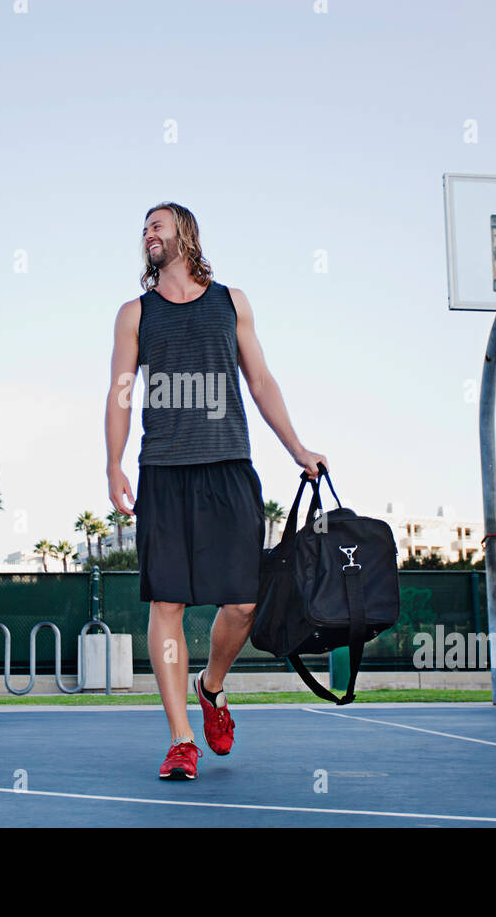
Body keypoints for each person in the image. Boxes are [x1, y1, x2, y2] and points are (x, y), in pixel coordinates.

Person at [105, 202, 326, 780]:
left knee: (244, 602)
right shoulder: (135, 313)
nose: (147, 233)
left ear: (185, 232)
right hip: (164, 471)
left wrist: (298, 449)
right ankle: (181, 738)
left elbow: (260, 380)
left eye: (157, 223)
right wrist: (113, 464)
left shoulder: (232, 302)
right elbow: (121, 391)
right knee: (167, 605)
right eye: (143, 228)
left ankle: (212, 685)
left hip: (228, 466)